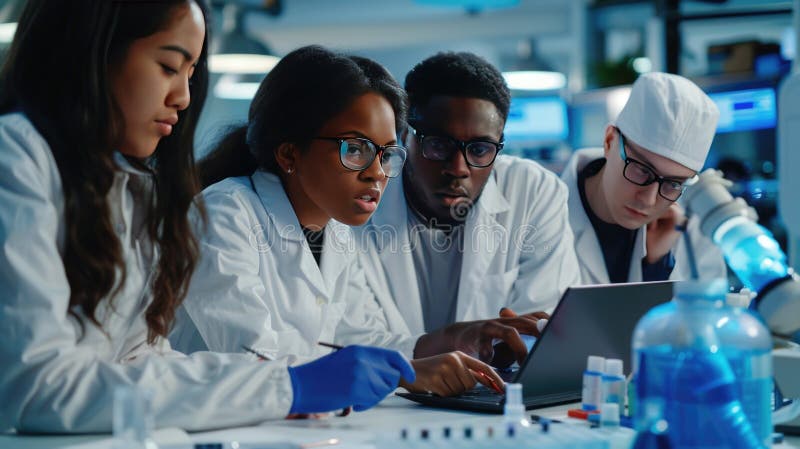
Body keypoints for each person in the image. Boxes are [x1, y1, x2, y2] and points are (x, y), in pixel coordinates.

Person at [0, 2, 412, 434]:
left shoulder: (131, 187)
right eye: (168, 67)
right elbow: (36, 386)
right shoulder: (17, 157)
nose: (182, 97)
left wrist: (278, 388)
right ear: (93, 51)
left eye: (191, 75)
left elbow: (141, 359)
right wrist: (285, 386)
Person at [171, 45, 505, 396]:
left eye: (386, 153)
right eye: (355, 149)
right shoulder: (224, 215)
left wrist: (447, 349)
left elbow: (359, 337)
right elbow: (254, 359)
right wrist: (401, 374)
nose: (376, 173)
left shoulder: (336, 232)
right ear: (290, 153)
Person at [352, 51, 581, 364]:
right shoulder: (361, 196)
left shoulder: (534, 192)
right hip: (387, 402)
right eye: (439, 144)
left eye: (480, 149)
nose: (458, 168)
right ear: (404, 135)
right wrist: (449, 343)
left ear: (499, 144)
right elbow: (348, 338)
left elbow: (543, 325)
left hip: (489, 399)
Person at [560, 72, 726, 284]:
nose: (648, 199)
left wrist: (657, 266)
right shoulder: (543, 216)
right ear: (610, 141)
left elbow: (708, 313)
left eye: (673, 183)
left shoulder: (693, 230)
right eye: (641, 170)